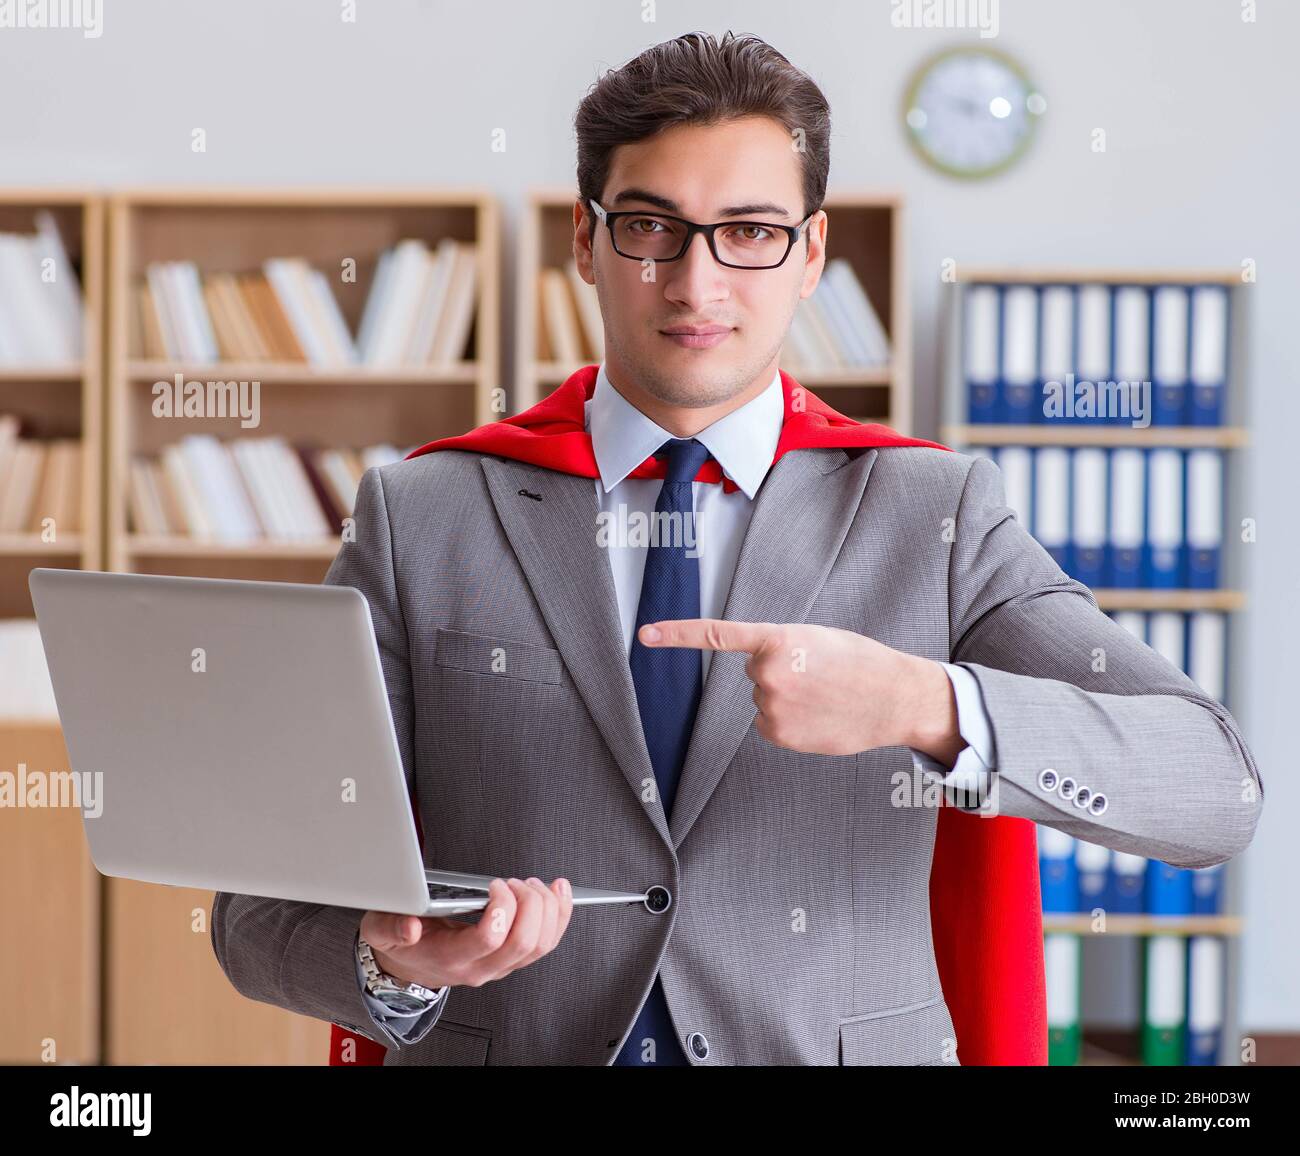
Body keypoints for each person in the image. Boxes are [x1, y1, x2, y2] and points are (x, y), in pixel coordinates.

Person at [210, 31, 1262, 1066]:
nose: (696, 284)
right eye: (650, 228)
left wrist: (924, 706)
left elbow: (1215, 788)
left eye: (749, 232)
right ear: (584, 241)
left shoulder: (932, 512)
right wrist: (389, 964)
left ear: (809, 254)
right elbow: (255, 912)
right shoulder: (420, 513)